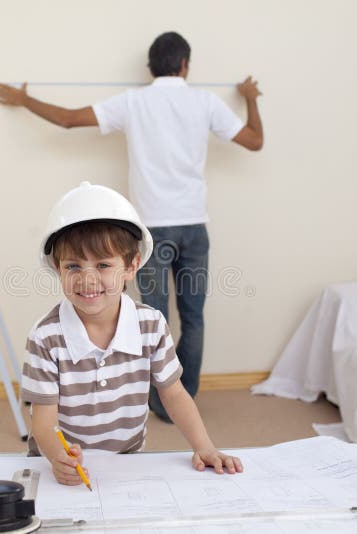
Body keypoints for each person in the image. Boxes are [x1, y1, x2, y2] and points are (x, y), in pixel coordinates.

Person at [0, 31, 264, 423]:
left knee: (150, 319)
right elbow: (255, 140)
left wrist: (24, 100)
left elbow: (68, 120)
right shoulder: (205, 101)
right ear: (185, 65)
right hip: (193, 227)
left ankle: (157, 401)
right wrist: (250, 98)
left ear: (150, 67)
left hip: (152, 228)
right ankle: (179, 400)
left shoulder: (134, 102)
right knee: (193, 317)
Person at [20, 182, 243, 486]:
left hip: (126, 463)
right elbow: (43, 421)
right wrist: (59, 457)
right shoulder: (45, 337)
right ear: (57, 268)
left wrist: (204, 446)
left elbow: (174, 394)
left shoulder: (151, 324)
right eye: (73, 266)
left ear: (132, 266)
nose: (87, 279)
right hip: (62, 465)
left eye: (103, 265)